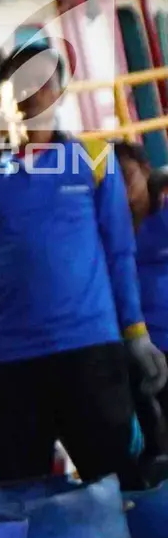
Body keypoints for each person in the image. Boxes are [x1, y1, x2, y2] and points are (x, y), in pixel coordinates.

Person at [0, 46, 167, 491]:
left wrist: (136, 336)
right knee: (18, 497)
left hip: (90, 355)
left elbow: (120, 255)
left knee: (122, 489)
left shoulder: (97, 162)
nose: (32, 92)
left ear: (59, 91)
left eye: (43, 82)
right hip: (10, 367)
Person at [115, 139, 168, 459]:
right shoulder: (109, 227)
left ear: (145, 171)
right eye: (113, 181)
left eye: (127, 177)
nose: (122, 191)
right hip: (136, 347)